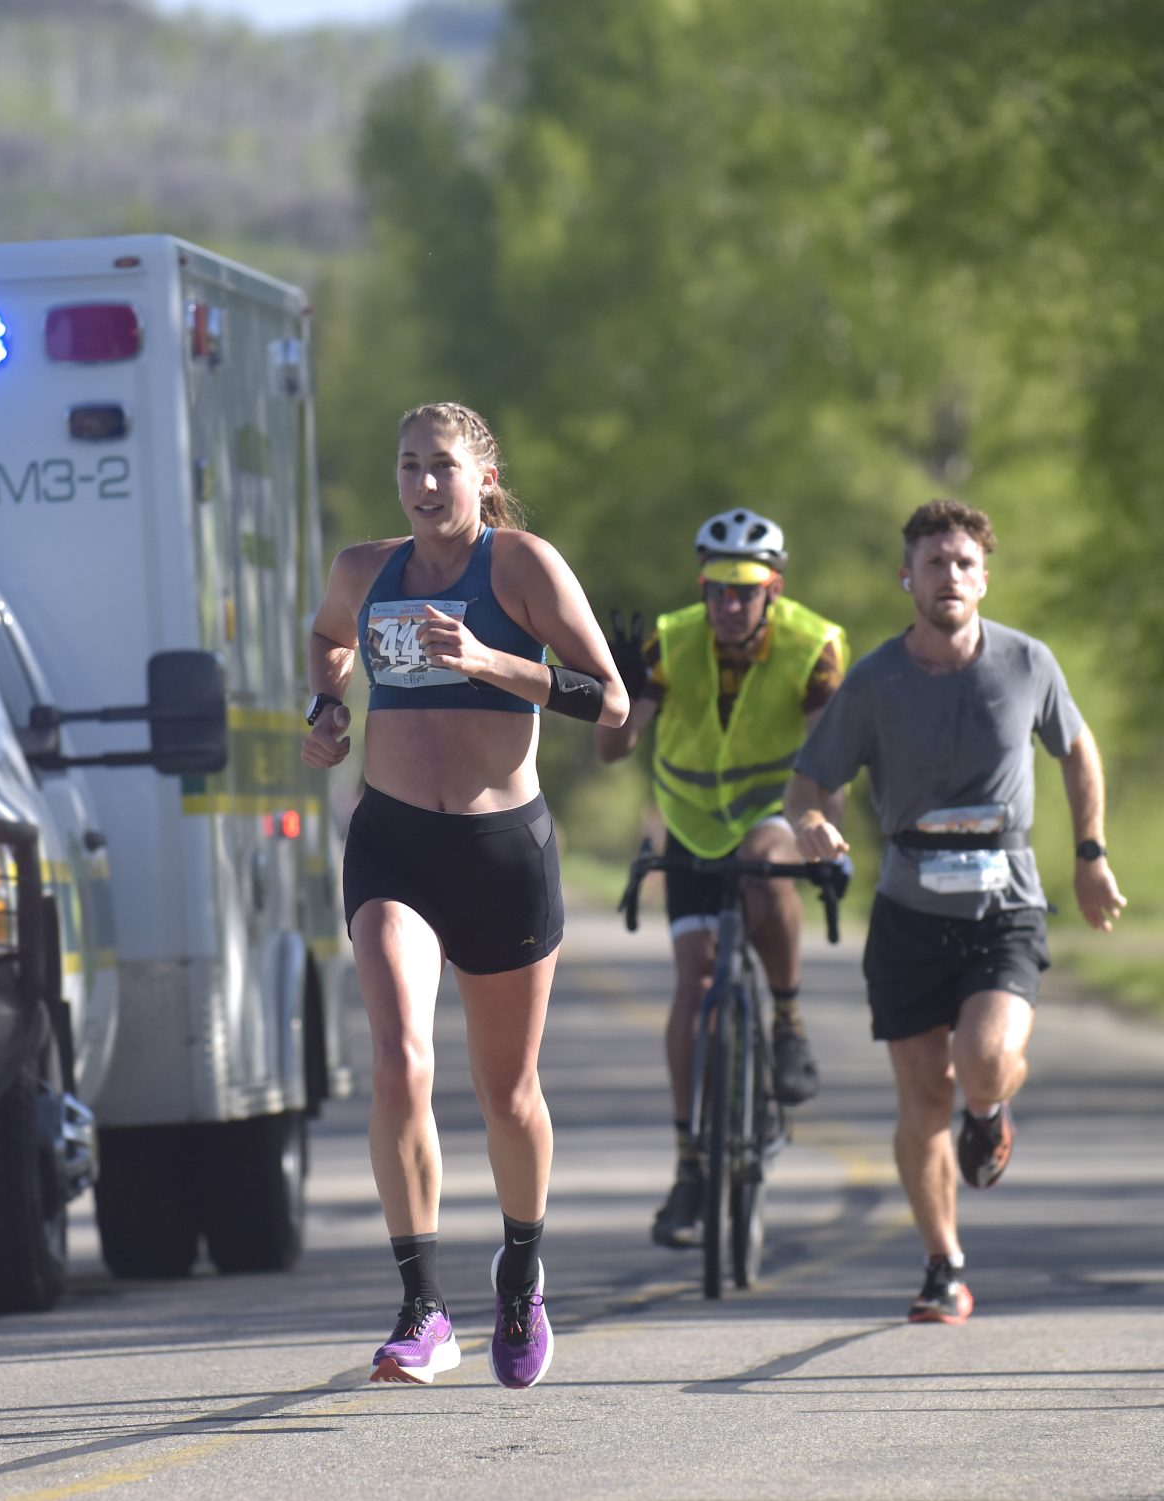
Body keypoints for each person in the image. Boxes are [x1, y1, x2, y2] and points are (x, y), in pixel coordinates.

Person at [300, 401, 627, 1389]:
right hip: (393, 847)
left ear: (483, 477)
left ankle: (519, 1274)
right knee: (399, 1059)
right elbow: (327, 640)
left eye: (442, 466)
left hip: (500, 851)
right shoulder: (364, 570)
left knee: (506, 1092)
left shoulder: (520, 566)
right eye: (408, 466)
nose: (424, 484)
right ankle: (422, 1308)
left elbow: (607, 697)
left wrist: (487, 660)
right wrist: (325, 709)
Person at [786, 499, 1125, 1324]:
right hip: (907, 908)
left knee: (983, 1057)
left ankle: (991, 1107)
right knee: (920, 1099)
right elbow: (808, 784)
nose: (950, 575)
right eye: (934, 562)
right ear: (907, 576)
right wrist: (813, 823)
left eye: (964, 562)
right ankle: (943, 1263)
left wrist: (1091, 853)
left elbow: (1077, 748)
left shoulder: (1026, 662)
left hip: (1005, 902)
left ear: (984, 578)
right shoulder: (875, 680)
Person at [595, 510, 848, 1249]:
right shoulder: (668, 642)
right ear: (702, 587)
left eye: (744, 591)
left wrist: (827, 836)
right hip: (691, 821)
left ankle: (788, 1020)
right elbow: (614, 751)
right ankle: (689, 1165)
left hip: (776, 810)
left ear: (773, 589)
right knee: (695, 985)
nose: (729, 606)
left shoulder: (814, 645)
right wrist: (618, 689)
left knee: (770, 869)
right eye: (716, 591)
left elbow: (829, 762)